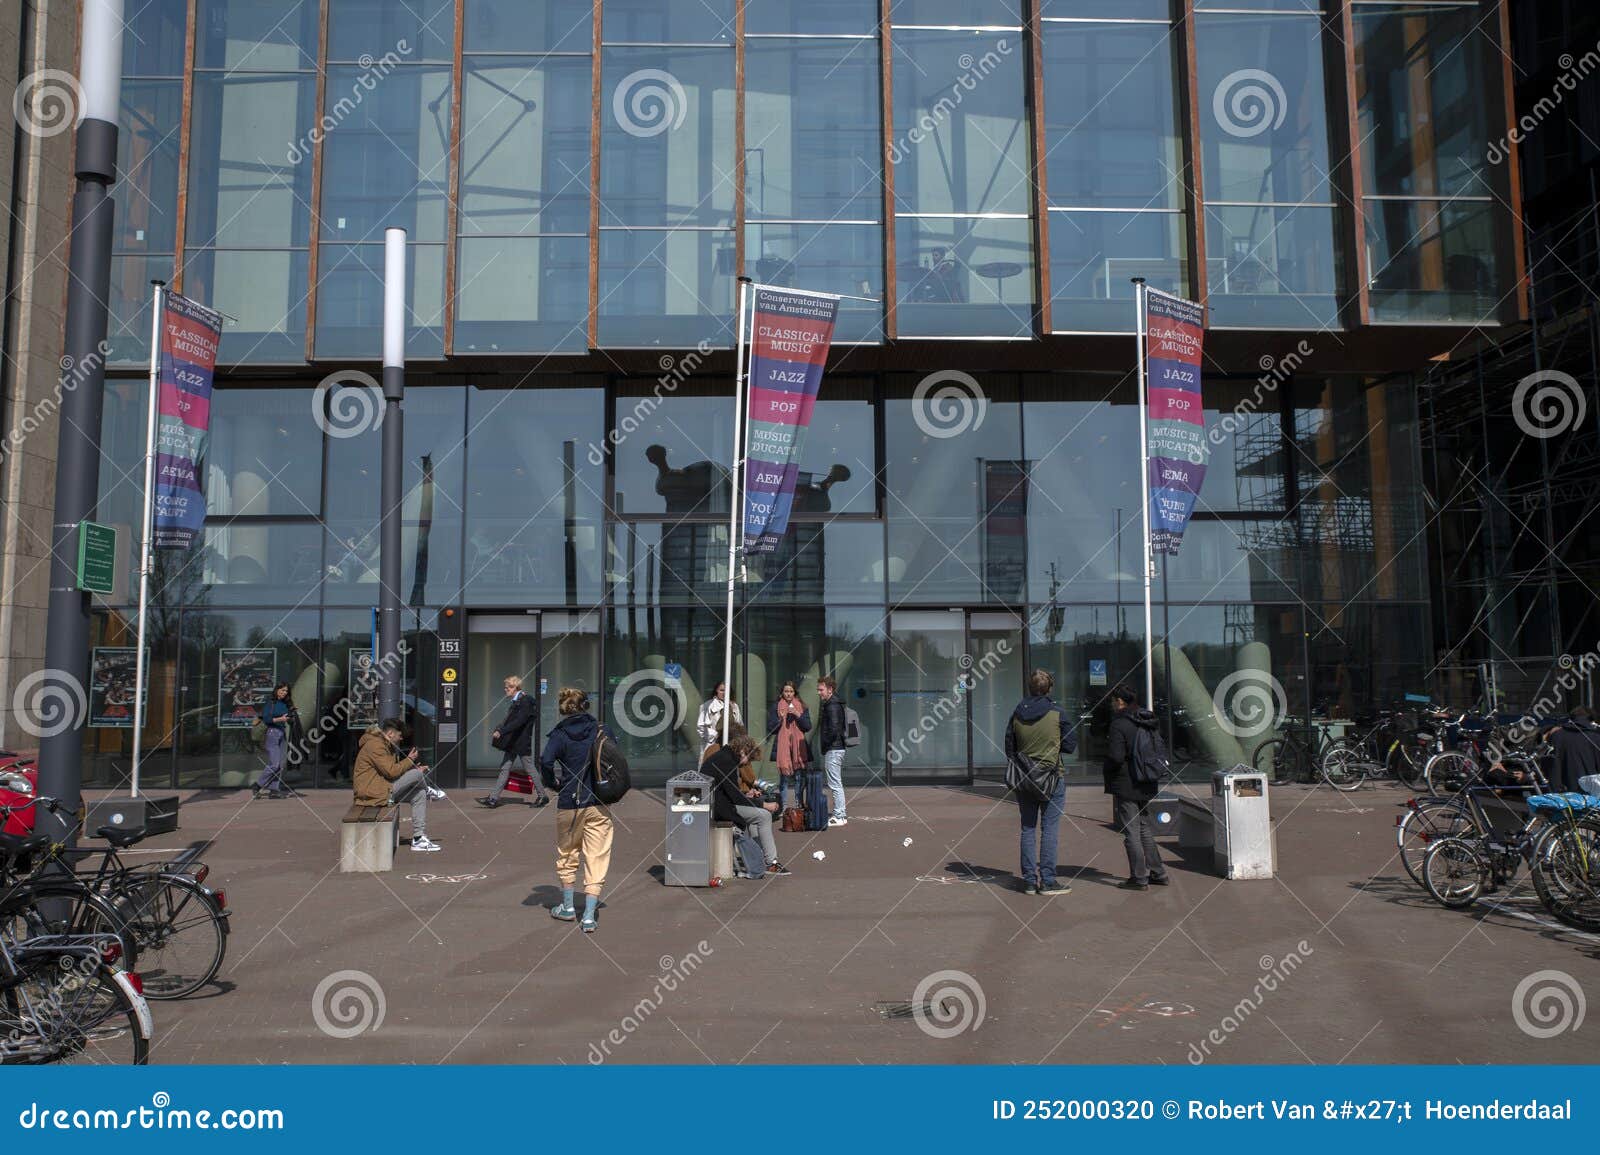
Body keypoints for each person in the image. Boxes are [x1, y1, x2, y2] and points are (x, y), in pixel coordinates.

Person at [538, 688, 615, 933]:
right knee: (597, 857)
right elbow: (615, 754)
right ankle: (590, 916)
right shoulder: (601, 729)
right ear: (586, 706)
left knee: (568, 854)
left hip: (570, 801)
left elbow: (545, 761)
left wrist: (553, 783)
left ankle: (568, 908)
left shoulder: (560, 734)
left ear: (563, 708)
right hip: (599, 801)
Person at [1004, 669, 1077, 895]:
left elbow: (1009, 748)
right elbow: (1070, 745)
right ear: (1049, 689)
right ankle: (1047, 881)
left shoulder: (1017, 714)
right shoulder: (1057, 713)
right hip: (1052, 778)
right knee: (1050, 829)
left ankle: (1028, 881)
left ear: (1029, 688)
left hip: (1025, 779)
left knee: (1027, 828)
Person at [1104, 684, 1170, 890]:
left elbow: (1115, 756)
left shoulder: (1119, 724)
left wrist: (1106, 766)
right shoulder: (1147, 719)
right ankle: (1158, 872)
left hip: (1127, 783)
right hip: (1147, 781)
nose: (1112, 704)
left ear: (1120, 701)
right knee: (1143, 827)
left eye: (1113, 701)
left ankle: (1139, 877)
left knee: (1131, 830)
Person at [705, 732, 790, 876]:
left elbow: (731, 792)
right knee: (764, 816)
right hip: (719, 807)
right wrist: (763, 805)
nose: (746, 763)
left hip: (717, 803)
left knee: (756, 817)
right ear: (743, 751)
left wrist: (747, 797)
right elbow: (734, 796)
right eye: (748, 759)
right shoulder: (727, 762)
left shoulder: (723, 757)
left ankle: (757, 857)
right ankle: (771, 862)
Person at [354, 717, 444, 852]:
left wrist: (410, 766)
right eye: (399, 735)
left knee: (418, 794)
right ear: (391, 734)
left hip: (382, 789)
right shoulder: (375, 745)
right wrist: (409, 760)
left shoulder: (385, 745)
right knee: (417, 775)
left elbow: (389, 772)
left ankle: (418, 838)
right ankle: (430, 792)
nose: (401, 739)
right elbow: (391, 772)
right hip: (372, 793)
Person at [478, 674, 549, 809]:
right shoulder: (517, 701)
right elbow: (511, 720)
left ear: (514, 687)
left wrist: (502, 731)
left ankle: (543, 796)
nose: (505, 690)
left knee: (530, 768)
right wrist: (501, 728)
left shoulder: (525, 701)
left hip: (521, 741)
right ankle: (493, 799)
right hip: (513, 741)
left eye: (507, 688)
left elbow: (519, 721)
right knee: (505, 768)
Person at [766, 680, 812, 814]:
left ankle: (798, 804)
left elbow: (808, 727)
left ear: (795, 693)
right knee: (784, 779)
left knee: (799, 777)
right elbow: (770, 728)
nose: (789, 694)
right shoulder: (776, 707)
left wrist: (798, 715)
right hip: (783, 748)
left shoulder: (802, 706)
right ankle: (784, 807)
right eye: (786, 691)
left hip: (798, 748)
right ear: (782, 693)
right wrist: (779, 719)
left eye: (791, 691)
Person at [253, 682, 300, 799]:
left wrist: (291, 716)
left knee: (280, 765)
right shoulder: (271, 702)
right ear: (277, 690)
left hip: (282, 734)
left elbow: (288, 721)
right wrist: (281, 718)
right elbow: (267, 719)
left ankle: (274, 790)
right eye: (282, 690)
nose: (284, 693)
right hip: (272, 733)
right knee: (274, 764)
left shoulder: (285, 704)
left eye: (286, 691)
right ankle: (258, 785)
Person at [816, 676, 848, 826]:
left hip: (834, 749)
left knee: (835, 783)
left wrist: (826, 744)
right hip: (835, 748)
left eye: (821, 689)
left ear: (830, 689)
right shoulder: (834, 703)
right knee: (836, 782)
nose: (818, 692)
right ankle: (841, 814)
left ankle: (840, 815)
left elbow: (834, 729)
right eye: (818, 689)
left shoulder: (832, 705)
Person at [1547, 706, 1600, 794]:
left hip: (1564, 792)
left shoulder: (1557, 736)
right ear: (1592, 721)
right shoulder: (1596, 738)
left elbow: (1551, 765)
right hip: (1591, 793)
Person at [696, 681, 742, 760]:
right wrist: (716, 735)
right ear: (716, 691)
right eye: (721, 690)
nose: (724, 693)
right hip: (714, 745)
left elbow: (739, 725)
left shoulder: (734, 706)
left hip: (731, 745)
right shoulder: (708, 705)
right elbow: (701, 727)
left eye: (726, 691)